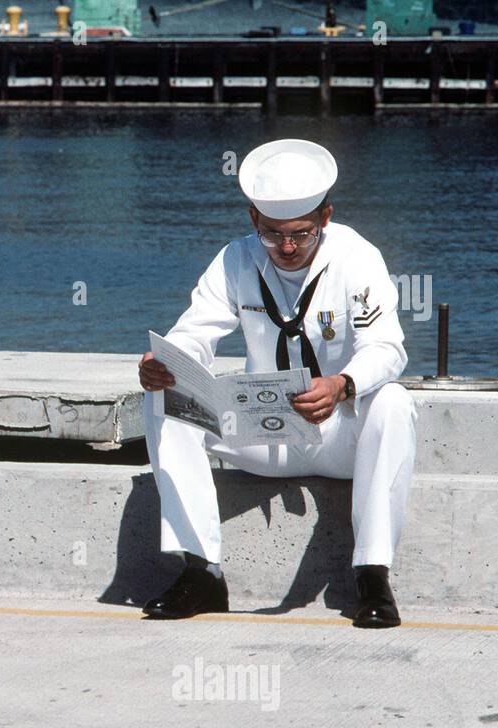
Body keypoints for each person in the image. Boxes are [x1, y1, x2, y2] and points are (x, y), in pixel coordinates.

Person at [137, 138, 417, 629]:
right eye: (273, 235)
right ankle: (201, 571)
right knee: (164, 396)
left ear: (325, 217)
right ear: (253, 221)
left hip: (339, 434)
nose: (287, 248)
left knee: (392, 401)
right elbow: (195, 331)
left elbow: (388, 349)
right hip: (267, 432)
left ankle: (372, 575)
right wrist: (168, 363)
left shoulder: (358, 257)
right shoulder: (234, 260)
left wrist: (342, 385)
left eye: (302, 234)